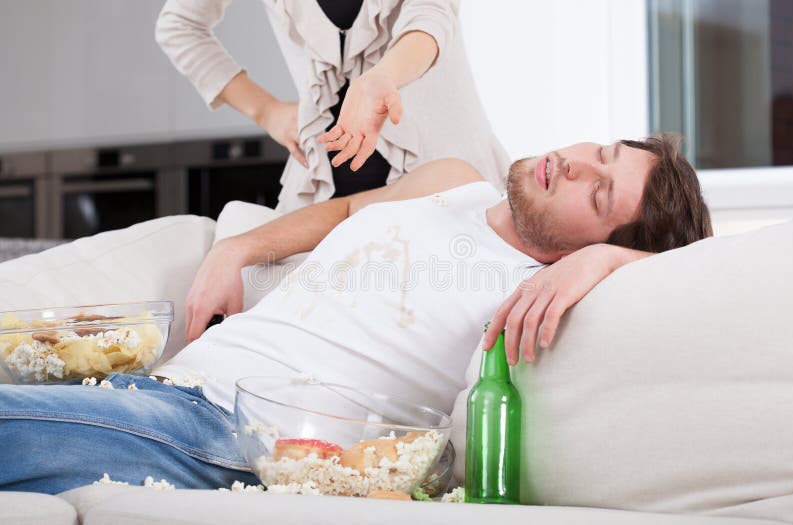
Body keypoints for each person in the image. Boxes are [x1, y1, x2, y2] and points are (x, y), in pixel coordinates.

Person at [0, 134, 712, 493]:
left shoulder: (544, 288)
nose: (577, 162)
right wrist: (238, 249)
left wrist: (609, 263)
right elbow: (341, 209)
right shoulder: (453, 182)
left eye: (598, 193)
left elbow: (694, 284)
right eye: (602, 151)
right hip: (167, 381)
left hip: (235, 435)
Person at [156, 0, 509, 210]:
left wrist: (385, 76)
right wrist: (268, 111)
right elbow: (179, 25)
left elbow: (433, 13)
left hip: (448, 183)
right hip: (324, 199)